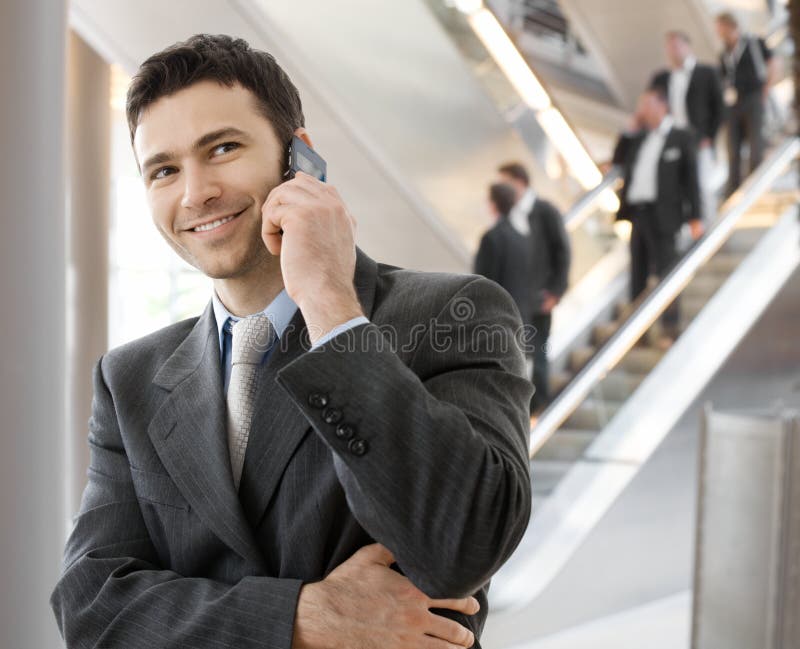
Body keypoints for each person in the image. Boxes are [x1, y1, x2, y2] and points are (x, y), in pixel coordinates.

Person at [50, 34, 534, 649]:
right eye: (164, 170)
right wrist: (299, 618)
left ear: (297, 157)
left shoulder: (455, 312)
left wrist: (331, 305)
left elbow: (460, 547)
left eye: (222, 148)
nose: (195, 193)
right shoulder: (130, 378)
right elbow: (91, 608)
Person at [616, 87, 703, 342]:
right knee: (637, 274)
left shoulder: (681, 137)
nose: (643, 109)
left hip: (665, 215)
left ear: (663, 106)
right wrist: (631, 128)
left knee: (667, 271)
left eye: (648, 104)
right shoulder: (640, 138)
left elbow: (691, 180)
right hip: (638, 213)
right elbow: (617, 159)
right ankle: (637, 332)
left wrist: (695, 216)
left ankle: (669, 326)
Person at [496, 163, 571, 416]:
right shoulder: (511, 216)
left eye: (505, 182)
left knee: (538, 351)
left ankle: (542, 404)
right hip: (518, 298)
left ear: (519, 182)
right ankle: (526, 405)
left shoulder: (544, 211)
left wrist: (556, 291)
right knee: (519, 352)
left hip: (540, 297)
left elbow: (562, 251)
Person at [650, 30, 724, 225]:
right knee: (676, 186)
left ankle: (710, 227)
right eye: (670, 47)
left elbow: (719, 107)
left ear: (687, 46)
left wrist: (710, 136)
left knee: (702, 184)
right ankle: (687, 230)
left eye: (677, 45)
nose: (673, 50)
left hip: (698, 139)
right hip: (673, 140)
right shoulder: (663, 78)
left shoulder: (706, 72)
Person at [715, 12, 777, 195]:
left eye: (720, 28)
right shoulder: (724, 53)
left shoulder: (754, 43)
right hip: (734, 103)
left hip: (754, 97)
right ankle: (734, 189)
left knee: (756, 144)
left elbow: (773, 62)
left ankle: (757, 186)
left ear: (729, 26)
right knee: (733, 147)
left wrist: (766, 89)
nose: (719, 33)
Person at [474, 183, 533, 326]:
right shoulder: (523, 240)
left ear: (493, 204)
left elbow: (482, 285)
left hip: (493, 320)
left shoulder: (491, 237)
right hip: (518, 319)